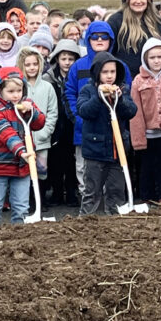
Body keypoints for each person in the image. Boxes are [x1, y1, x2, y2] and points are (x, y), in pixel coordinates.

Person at [65, 21, 133, 195]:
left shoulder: (120, 66)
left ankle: (109, 204)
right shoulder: (78, 66)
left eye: (105, 37)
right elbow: (69, 94)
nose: (100, 40)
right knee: (84, 170)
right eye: (95, 37)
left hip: (112, 129)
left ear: (111, 40)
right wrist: (78, 118)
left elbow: (128, 95)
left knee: (112, 171)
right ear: (88, 39)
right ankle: (87, 201)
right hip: (85, 127)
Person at [76, 52, 137, 216]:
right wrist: (99, 96)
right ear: (97, 73)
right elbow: (84, 111)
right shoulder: (88, 90)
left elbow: (131, 112)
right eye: (105, 72)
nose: (109, 76)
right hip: (95, 152)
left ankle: (115, 221)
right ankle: (85, 221)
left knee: (116, 190)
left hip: (117, 152)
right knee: (92, 191)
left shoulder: (122, 90)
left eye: (113, 72)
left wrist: (120, 99)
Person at [0, 68, 45, 224]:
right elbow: (7, 134)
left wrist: (33, 112)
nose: (16, 95)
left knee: (21, 206)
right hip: (0, 165)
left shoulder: (27, 104)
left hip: (22, 166)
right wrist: (22, 151)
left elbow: (39, 123)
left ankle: (19, 235)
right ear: (0, 90)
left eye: (19, 90)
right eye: (10, 91)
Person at [129, 38, 161, 204]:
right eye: (152, 58)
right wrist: (138, 139)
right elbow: (136, 112)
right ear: (145, 59)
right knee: (146, 168)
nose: (156, 61)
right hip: (148, 134)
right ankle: (147, 198)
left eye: (159, 57)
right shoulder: (138, 81)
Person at [17, 45, 57, 207]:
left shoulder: (47, 87)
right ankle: (27, 202)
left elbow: (52, 112)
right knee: (25, 171)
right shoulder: (18, 87)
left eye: (35, 64)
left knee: (41, 171)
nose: (32, 68)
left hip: (41, 140)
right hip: (22, 141)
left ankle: (41, 201)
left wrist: (44, 133)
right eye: (28, 64)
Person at [43, 39, 80, 207]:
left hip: (72, 123)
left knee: (72, 161)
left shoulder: (77, 76)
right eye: (63, 58)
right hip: (56, 124)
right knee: (56, 161)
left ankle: (71, 193)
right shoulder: (49, 78)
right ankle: (57, 193)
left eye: (71, 59)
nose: (67, 62)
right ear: (57, 59)